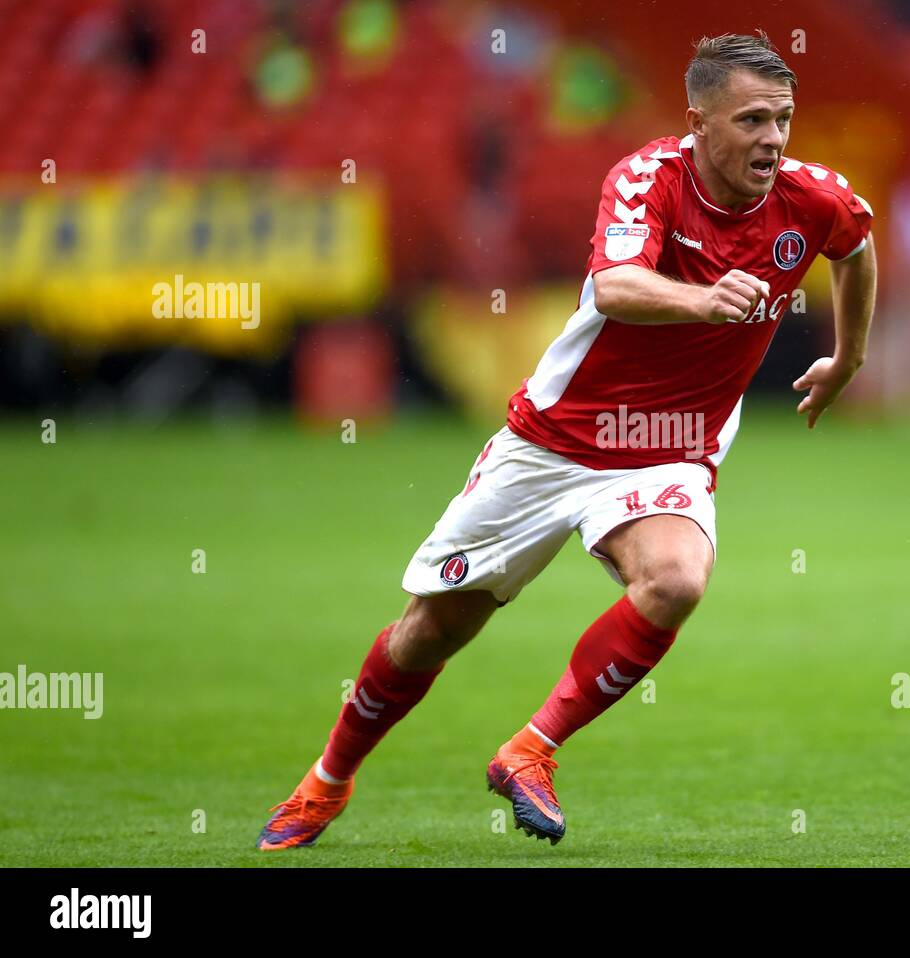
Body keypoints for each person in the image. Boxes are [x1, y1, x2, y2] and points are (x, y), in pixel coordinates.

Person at [258, 29, 877, 850]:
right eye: (752, 121)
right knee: (431, 631)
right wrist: (701, 301)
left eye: (783, 120)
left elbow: (857, 246)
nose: (772, 140)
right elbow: (614, 285)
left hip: (668, 444)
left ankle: (531, 751)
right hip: (556, 441)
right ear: (699, 121)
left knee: (677, 581)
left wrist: (848, 358)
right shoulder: (645, 179)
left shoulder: (811, 196)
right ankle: (327, 782)